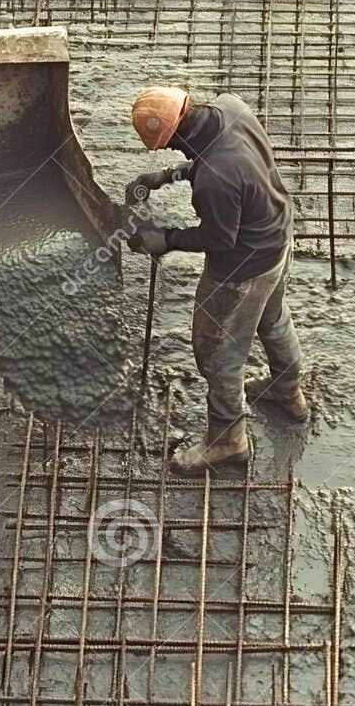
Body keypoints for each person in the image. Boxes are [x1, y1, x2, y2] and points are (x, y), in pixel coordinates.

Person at [126, 87, 306, 476]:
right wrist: (166, 177)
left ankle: (228, 441)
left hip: (242, 270)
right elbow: (218, 157)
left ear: (175, 136)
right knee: (272, 320)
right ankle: (288, 390)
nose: (174, 154)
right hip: (278, 236)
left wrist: (166, 238)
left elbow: (220, 239)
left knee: (218, 351)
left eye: (170, 149)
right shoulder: (230, 107)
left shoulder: (214, 181)